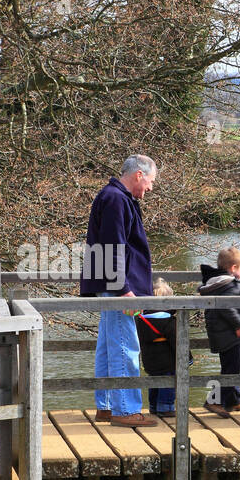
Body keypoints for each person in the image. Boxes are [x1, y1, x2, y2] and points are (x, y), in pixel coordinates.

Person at [80, 154, 159, 427]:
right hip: (116, 288)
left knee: (107, 345)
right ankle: (125, 410)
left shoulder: (115, 197)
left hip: (110, 285)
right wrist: (123, 288)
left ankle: (106, 406)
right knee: (126, 344)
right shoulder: (115, 198)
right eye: (150, 181)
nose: (150, 188)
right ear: (139, 174)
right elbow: (112, 247)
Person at [197, 246, 240, 417]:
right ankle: (213, 401)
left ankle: (233, 400)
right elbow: (227, 306)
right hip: (229, 333)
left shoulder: (218, 283)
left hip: (220, 333)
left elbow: (228, 299)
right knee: (232, 368)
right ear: (234, 268)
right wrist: (238, 325)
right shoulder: (229, 285)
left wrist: (239, 291)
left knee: (230, 366)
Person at [135, 279, 178, 418]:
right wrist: (187, 358)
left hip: (149, 359)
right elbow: (177, 342)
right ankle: (166, 407)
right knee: (168, 382)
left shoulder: (140, 320)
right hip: (167, 360)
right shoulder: (168, 321)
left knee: (154, 380)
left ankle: (153, 405)